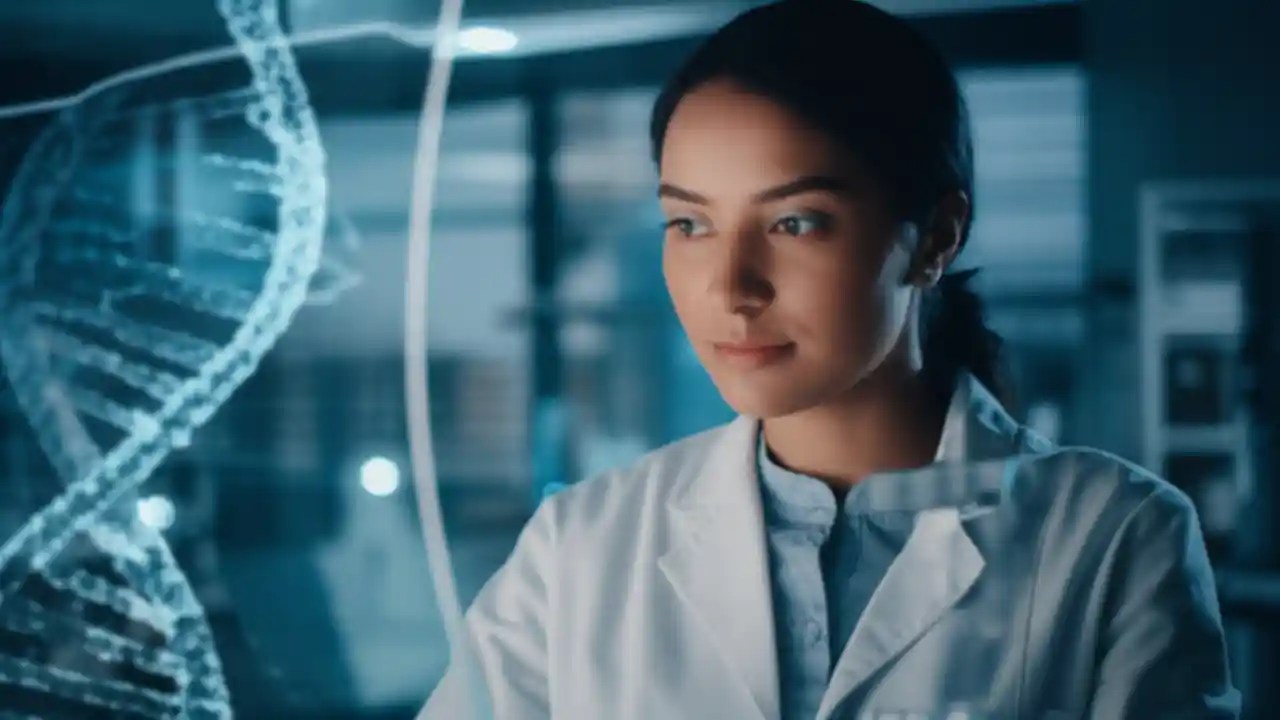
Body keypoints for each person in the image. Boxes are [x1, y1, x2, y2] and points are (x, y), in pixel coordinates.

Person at [419, 1, 1241, 718]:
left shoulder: (1111, 534)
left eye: (795, 223)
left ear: (937, 237)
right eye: (690, 224)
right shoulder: (583, 548)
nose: (731, 288)